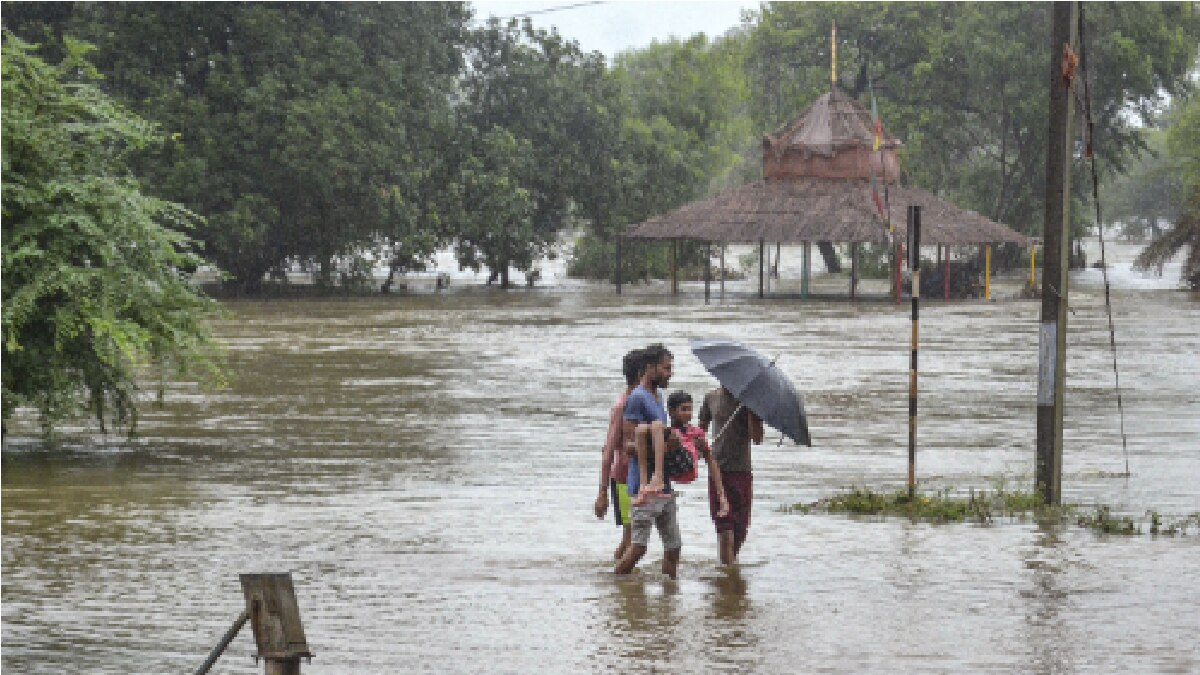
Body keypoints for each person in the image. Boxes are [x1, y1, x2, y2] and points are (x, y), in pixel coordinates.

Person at [614, 344, 680, 578]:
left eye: (671, 368)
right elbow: (629, 446)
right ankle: (617, 585)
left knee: (673, 548)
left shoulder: (658, 396)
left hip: (664, 486)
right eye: (666, 368)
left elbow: (659, 436)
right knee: (639, 548)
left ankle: (670, 600)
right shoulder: (637, 399)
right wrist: (661, 448)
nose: (670, 373)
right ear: (649, 368)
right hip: (641, 486)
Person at [698, 386, 764, 565]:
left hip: (742, 471)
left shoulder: (749, 402)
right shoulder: (711, 397)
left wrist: (751, 411)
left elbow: (757, 439)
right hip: (718, 473)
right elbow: (699, 431)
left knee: (740, 532)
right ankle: (728, 581)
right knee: (725, 530)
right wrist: (701, 452)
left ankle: (727, 573)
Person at [595, 349, 643, 561]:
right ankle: (620, 582)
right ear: (644, 371)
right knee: (630, 538)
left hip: (643, 477)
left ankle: (624, 583)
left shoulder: (650, 400)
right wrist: (603, 492)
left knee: (635, 538)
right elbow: (608, 450)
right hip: (623, 478)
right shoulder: (621, 406)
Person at [666, 390, 730, 521]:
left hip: (690, 480)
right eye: (683, 409)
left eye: (690, 409)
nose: (688, 414)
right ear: (671, 412)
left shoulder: (696, 434)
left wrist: (721, 494)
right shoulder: (668, 434)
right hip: (672, 481)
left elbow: (711, 462)